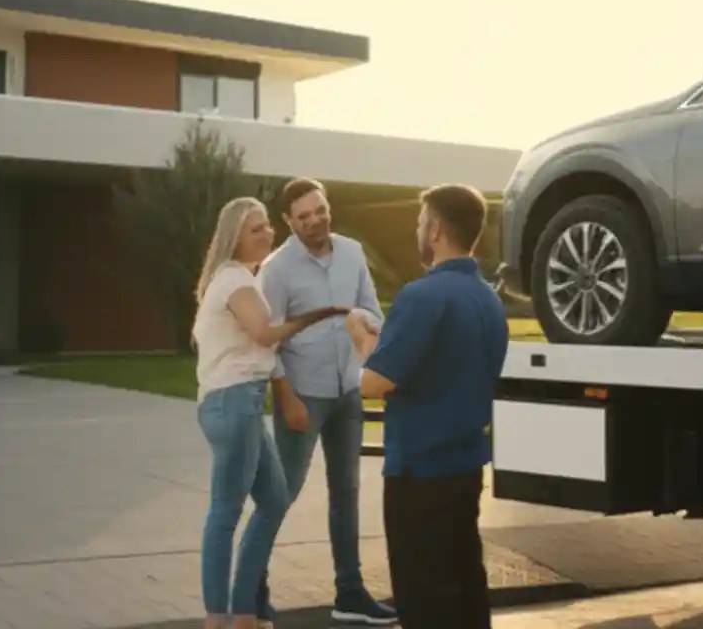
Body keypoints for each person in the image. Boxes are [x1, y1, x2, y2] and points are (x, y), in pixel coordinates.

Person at [348, 183, 510, 629]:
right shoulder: (489, 299)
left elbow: (376, 382)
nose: (417, 231)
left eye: (420, 223)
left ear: (435, 229)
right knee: (466, 586)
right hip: (466, 466)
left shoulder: (422, 296)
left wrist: (360, 338)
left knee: (423, 601)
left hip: (419, 473)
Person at [192, 196, 347, 629]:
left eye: (266, 226)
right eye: (256, 228)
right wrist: (320, 314)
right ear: (234, 238)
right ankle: (217, 618)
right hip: (234, 402)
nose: (267, 233)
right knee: (225, 512)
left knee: (274, 499)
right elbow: (264, 334)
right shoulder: (234, 280)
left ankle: (245, 612)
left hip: (237, 401)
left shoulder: (237, 278)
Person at [253, 178, 397, 625]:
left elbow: (373, 310)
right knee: (283, 491)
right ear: (288, 221)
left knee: (347, 492)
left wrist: (361, 322)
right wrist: (287, 398)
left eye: (320, 210)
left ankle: (349, 593)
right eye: (304, 216)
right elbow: (266, 342)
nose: (315, 220)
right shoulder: (276, 269)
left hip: (347, 391)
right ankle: (251, 587)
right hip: (303, 395)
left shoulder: (352, 253)